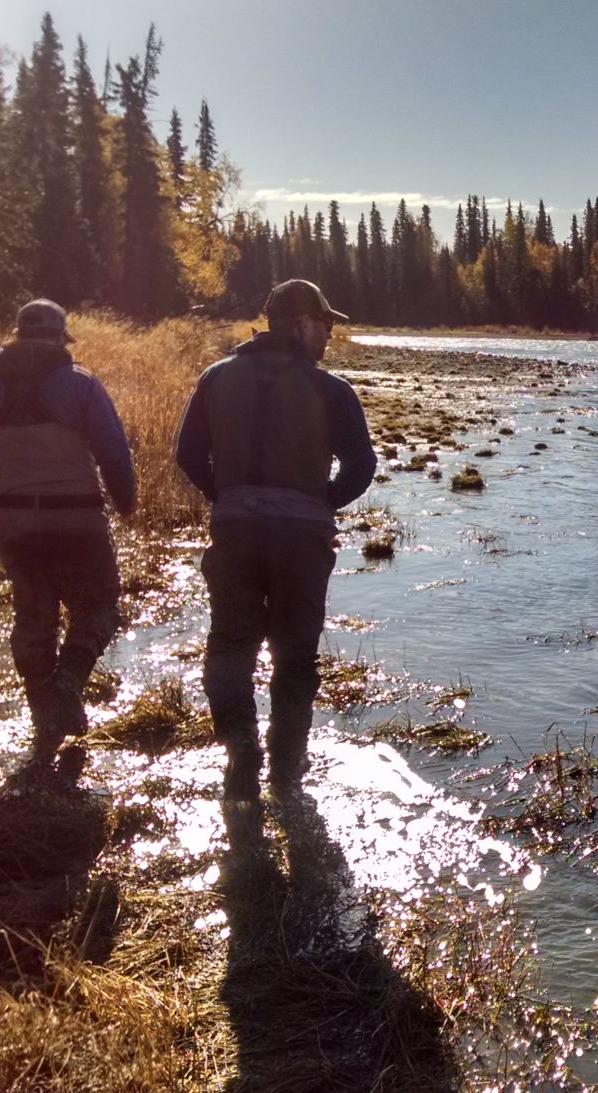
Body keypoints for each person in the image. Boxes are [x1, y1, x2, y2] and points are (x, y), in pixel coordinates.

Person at [175, 279, 376, 797]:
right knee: (295, 654)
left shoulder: (216, 377)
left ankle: (240, 743)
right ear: (299, 324)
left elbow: (187, 454)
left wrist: (225, 496)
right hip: (302, 538)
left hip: (235, 530)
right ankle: (287, 769)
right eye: (324, 323)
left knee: (230, 644)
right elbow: (362, 466)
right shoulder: (332, 390)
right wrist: (323, 502)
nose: (329, 334)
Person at [0, 299, 136, 769]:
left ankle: (45, 723)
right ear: (59, 337)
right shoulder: (81, 382)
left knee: (34, 620)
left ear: (19, 334)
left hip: (17, 524)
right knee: (100, 606)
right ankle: (69, 680)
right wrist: (126, 502)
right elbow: (113, 449)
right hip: (80, 521)